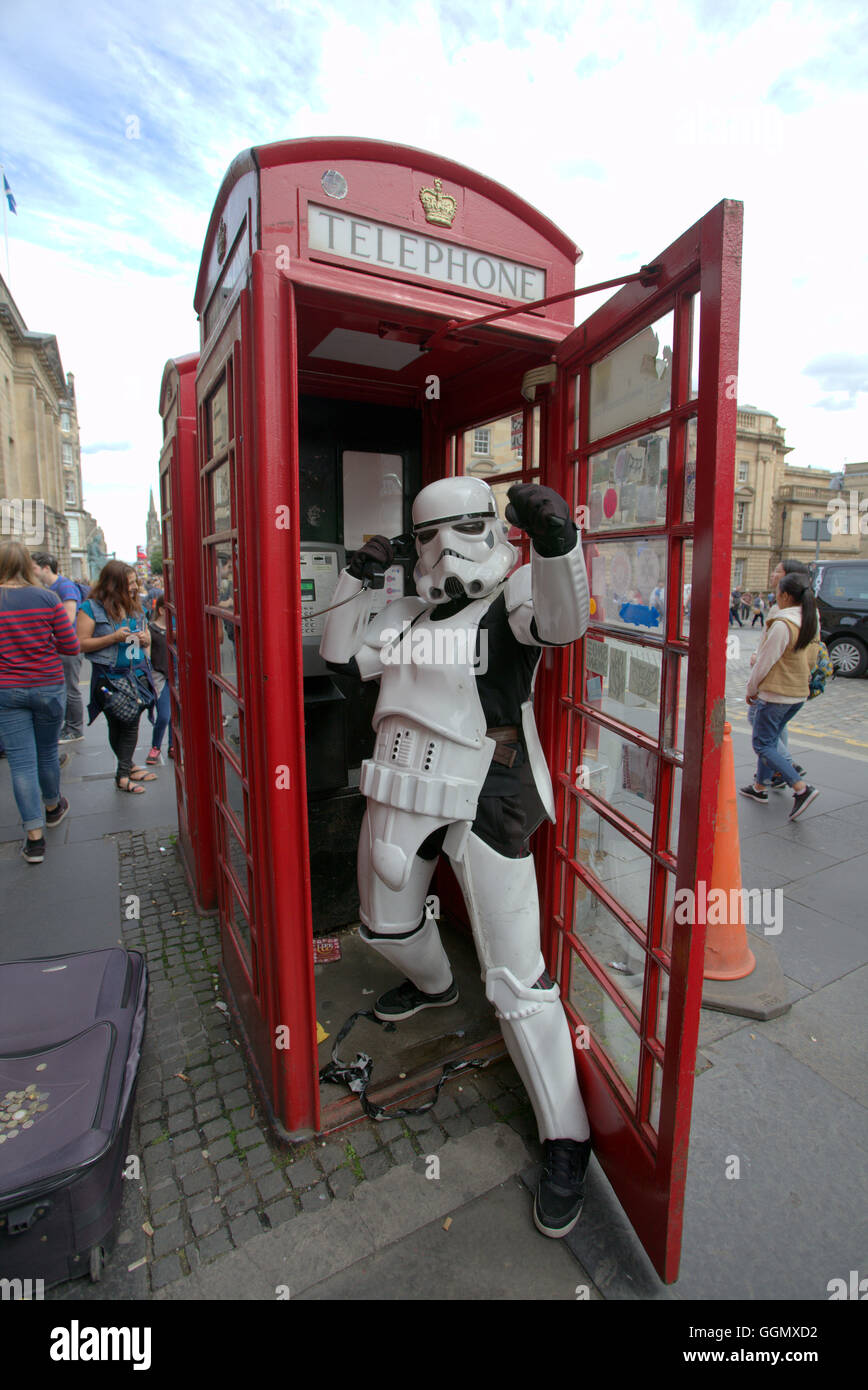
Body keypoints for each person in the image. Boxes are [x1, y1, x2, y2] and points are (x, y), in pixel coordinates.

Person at [321, 477, 593, 1239]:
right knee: (385, 928)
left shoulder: (507, 604)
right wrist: (359, 575)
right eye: (428, 538)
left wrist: (557, 543)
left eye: (462, 530)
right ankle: (437, 987)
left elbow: (563, 623)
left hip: (487, 791)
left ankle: (566, 1136)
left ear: (490, 530)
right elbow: (340, 651)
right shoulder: (404, 615)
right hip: (400, 790)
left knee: (516, 980)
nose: (445, 551)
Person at [0, 541, 77, 863]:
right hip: (47, 686)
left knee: (21, 764)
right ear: (28, 566)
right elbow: (71, 645)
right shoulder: (48, 598)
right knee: (47, 752)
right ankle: (52, 807)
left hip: (7, 690)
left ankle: (34, 840)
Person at [740, 572, 821, 820]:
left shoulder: (783, 624)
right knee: (772, 739)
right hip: (797, 694)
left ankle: (801, 788)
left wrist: (751, 689)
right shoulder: (811, 619)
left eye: (777, 594)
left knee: (763, 744)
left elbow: (765, 663)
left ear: (785, 596)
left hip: (776, 694)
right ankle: (760, 787)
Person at [76, 562, 156, 793]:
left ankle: (123, 773)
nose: (135, 587)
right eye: (129, 582)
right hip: (108, 677)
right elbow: (80, 643)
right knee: (117, 724)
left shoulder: (135, 606)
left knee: (131, 722)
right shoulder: (90, 608)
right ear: (114, 584)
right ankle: (127, 769)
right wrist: (112, 638)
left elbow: (148, 637)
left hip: (136, 673)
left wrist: (145, 639)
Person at [30, 550, 85, 743]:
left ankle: (75, 729)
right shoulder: (51, 588)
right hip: (58, 646)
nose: (31, 571)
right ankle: (67, 726)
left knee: (71, 688)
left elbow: (68, 617)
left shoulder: (65, 587)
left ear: (46, 568)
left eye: (34, 568)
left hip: (67, 646)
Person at [145, 594, 173, 764]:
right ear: (162, 610)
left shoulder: (175, 630)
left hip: (175, 675)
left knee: (175, 716)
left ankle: (172, 745)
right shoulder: (150, 629)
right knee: (164, 715)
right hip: (159, 676)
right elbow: (145, 654)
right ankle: (155, 747)